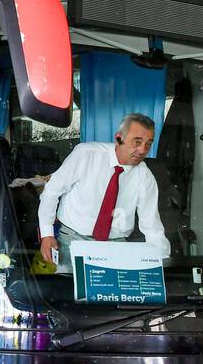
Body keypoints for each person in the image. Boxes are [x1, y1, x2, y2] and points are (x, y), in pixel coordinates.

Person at [34, 112, 170, 272]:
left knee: (115, 294)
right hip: (73, 239)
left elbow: (151, 224)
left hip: (116, 244)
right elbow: (52, 190)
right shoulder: (86, 154)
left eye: (148, 144)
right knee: (68, 292)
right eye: (137, 142)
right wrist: (47, 234)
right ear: (119, 138)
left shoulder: (144, 175)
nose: (142, 150)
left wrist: (162, 261)